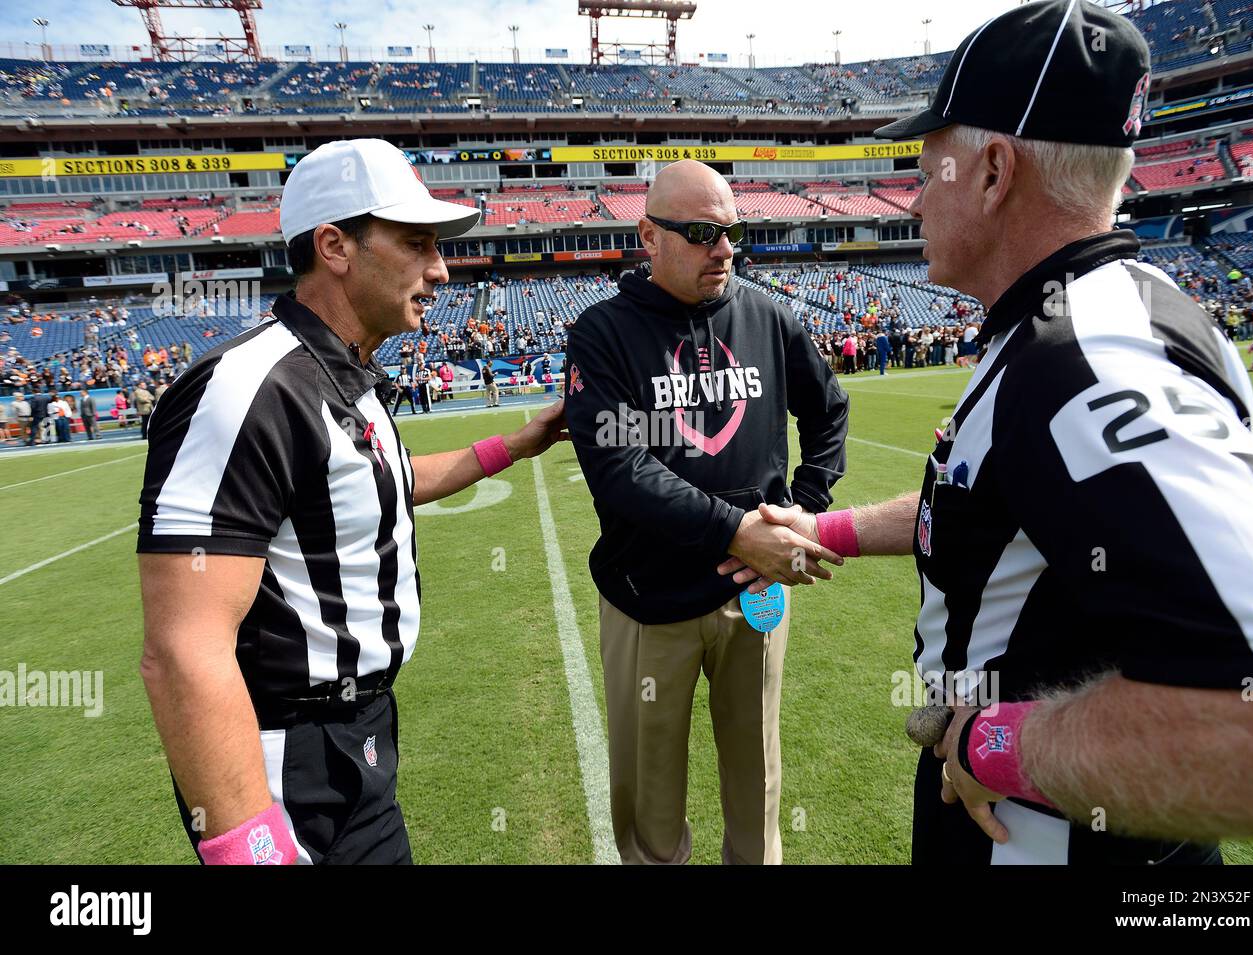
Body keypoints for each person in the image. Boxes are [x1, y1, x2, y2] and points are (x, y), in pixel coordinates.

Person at [729, 0, 1253, 864]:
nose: (914, 197)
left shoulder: (1085, 354)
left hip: (1049, 830)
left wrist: (995, 745)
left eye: (929, 167)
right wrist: (822, 527)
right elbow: (988, 505)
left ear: (993, 172)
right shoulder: (1083, 317)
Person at [137, 138, 568, 866]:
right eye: (416, 243)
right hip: (282, 755)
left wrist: (513, 446)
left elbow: (386, 483)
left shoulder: (343, 376)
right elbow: (182, 646)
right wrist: (250, 849)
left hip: (357, 737)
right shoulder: (252, 387)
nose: (438, 269)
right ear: (335, 246)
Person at [565, 159, 849, 865]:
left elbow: (829, 411)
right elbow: (620, 469)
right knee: (649, 801)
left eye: (731, 232)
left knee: (757, 782)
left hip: (754, 599)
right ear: (648, 237)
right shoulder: (603, 332)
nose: (724, 249)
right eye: (700, 233)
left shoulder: (766, 313)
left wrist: (803, 510)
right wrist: (736, 529)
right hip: (647, 600)